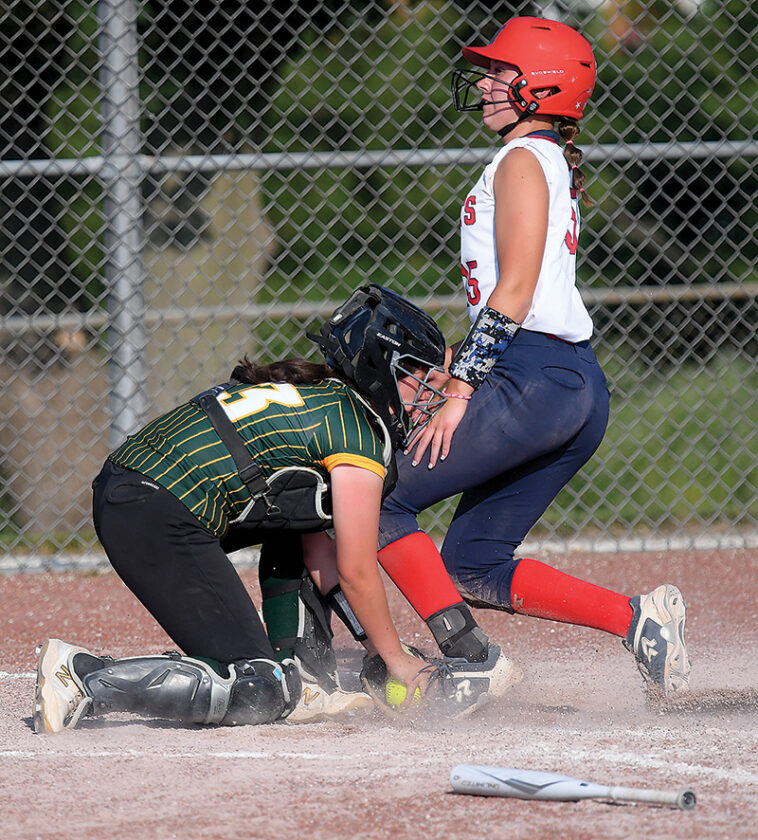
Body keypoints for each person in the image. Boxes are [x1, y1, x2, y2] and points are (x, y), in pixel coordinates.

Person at [32, 285, 514, 735]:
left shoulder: (326, 395)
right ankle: (87, 680)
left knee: (301, 518)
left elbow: (321, 556)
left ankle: (297, 675)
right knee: (259, 689)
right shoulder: (359, 429)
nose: (429, 394)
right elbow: (357, 569)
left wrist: (376, 649)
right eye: (420, 378)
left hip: (141, 494)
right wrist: (399, 662)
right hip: (155, 509)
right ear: (380, 366)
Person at [372, 17, 691, 697]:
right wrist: (454, 363)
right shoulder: (543, 158)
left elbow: (514, 291)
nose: (485, 84)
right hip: (568, 382)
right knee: (471, 564)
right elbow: (527, 296)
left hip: (533, 379)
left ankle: (471, 665)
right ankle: (637, 621)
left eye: (500, 73)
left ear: (544, 85)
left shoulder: (521, 159)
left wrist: (459, 390)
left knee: (375, 499)